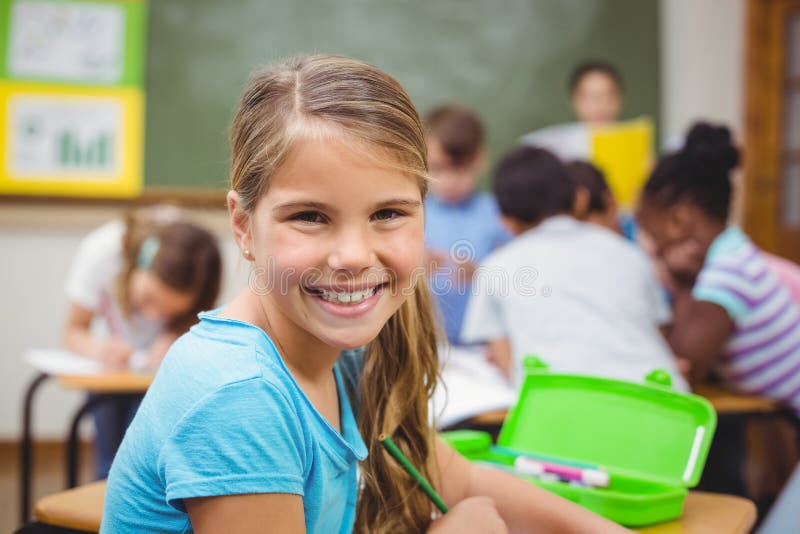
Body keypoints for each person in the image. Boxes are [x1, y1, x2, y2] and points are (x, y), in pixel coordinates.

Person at [100, 55, 628, 533]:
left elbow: (462, 482)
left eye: (388, 213)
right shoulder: (238, 394)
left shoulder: (344, 358)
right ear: (242, 225)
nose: (353, 256)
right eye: (310, 216)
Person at [461, 146, 686, 391]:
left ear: (505, 220)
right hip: (668, 410)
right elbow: (658, 329)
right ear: (577, 200)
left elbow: (506, 362)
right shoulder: (629, 253)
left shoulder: (497, 268)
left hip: (566, 411)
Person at [636, 122, 800, 406]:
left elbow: (682, 374)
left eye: (652, 235)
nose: (653, 249)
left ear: (679, 220)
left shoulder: (725, 275)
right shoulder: (733, 252)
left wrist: (684, 285)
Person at [63, 207, 222, 479]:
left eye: (170, 311)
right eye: (148, 299)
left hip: (159, 374)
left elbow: (198, 320)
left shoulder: (196, 257)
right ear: (140, 263)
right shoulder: (101, 252)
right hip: (112, 371)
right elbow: (73, 330)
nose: (152, 316)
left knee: (152, 462)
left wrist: (175, 336)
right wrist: (100, 349)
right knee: (110, 464)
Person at [424, 104, 510, 345]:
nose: (449, 181)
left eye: (459, 169)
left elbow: (521, 279)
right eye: (437, 169)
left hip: (482, 347)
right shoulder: (412, 213)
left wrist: (483, 274)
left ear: (480, 160)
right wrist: (414, 268)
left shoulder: (497, 214)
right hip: (425, 344)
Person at [520, 60, 624, 160]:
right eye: (591, 96)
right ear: (574, 100)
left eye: (607, 95)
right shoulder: (548, 147)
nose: (600, 105)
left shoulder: (638, 148)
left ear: (620, 99)